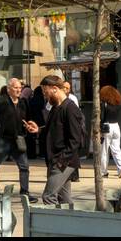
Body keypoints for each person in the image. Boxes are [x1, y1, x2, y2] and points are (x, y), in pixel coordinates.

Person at [26, 74, 85, 206]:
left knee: (48, 196)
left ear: (54, 89)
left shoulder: (70, 108)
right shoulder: (55, 107)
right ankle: (73, 224)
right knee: (64, 200)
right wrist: (39, 129)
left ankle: (55, 224)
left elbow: (76, 139)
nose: (45, 96)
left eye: (45, 92)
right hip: (57, 160)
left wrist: (61, 162)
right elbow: (53, 129)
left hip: (63, 162)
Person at [0, 78, 33, 195]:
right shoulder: (2, 102)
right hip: (4, 140)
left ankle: (24, 192)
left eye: (20, 88)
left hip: (18, 139)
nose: (18, 90)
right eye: (16, 88)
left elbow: (27, 118)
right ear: (8, 89)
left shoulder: (23, 102)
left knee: (24, 167)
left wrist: (27, 125)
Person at [99, 85, 121, 178]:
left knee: (104, 151)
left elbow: (102, 117)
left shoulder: (104, 104)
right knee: (116, 149)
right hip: (116, 126)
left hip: (107, 127)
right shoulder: (119, 104)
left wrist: (99, 127)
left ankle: (103, 172)